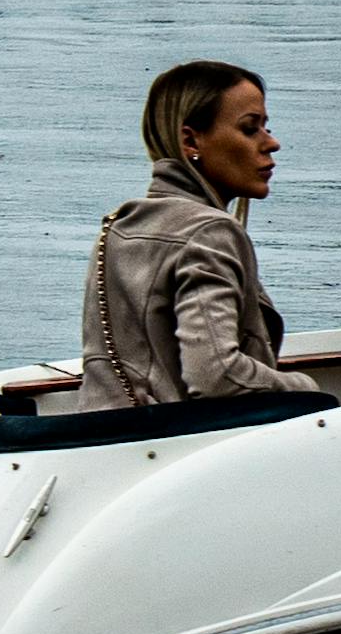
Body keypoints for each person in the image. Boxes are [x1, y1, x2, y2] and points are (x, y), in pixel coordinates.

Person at [76, 59, 324, 410]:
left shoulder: (121, 224)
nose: (272, 143)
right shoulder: (209, 232)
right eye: (251, 129)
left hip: (104, 438)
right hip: (174, 443)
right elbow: (216, 375)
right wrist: (307, 389)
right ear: (191, 140)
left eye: (266, 127)